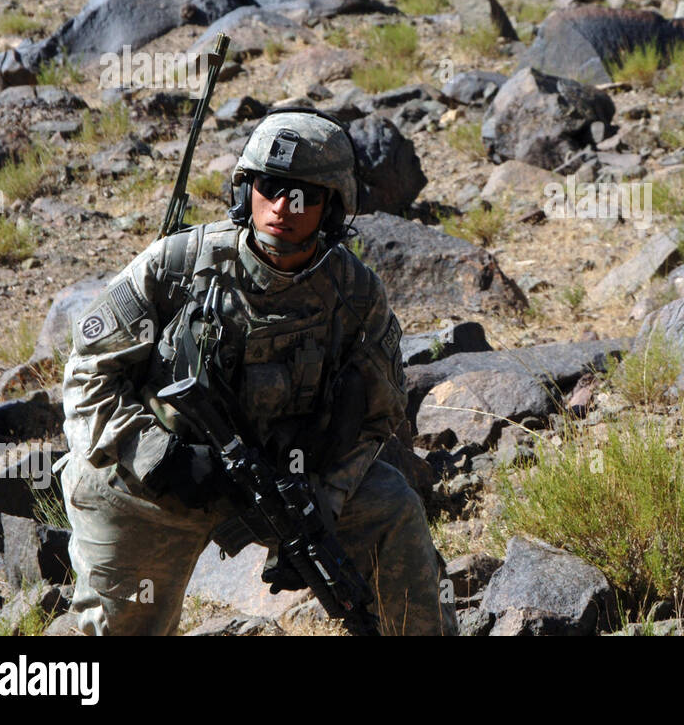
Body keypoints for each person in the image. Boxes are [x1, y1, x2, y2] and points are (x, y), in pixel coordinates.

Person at [58, 107, 457, 636]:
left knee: (392, 510)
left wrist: (323, 505)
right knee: (120, 627)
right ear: (246, 189)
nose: (282, 208)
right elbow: (87, 377)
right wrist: (158, 457)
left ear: (334, 207)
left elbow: (375, 419)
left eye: (304, 196)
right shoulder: (176, 265)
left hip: (287, 484)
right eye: (269, 187)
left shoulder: (356, 295)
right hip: (148, 487)